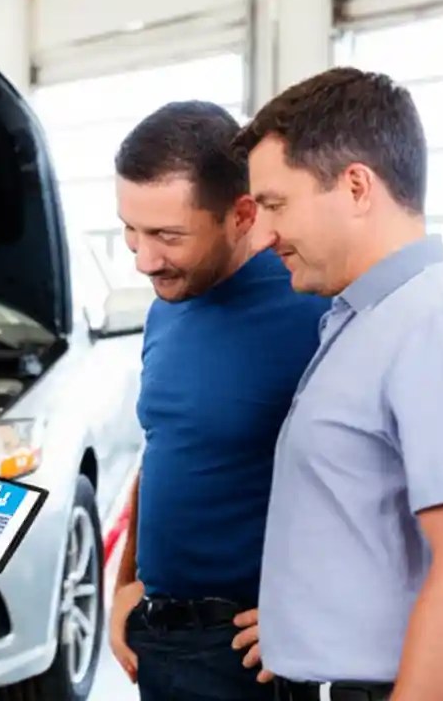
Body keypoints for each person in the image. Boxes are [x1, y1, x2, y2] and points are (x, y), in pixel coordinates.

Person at [230, 67, 443, 701]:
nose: (262, 236)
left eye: (274, 205)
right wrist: (308, 625)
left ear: (354, 186)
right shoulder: (368, 319)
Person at [106, 100, 330, 701]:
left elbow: (379, 484)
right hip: (162, 637)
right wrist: (129, 582)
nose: (143, 259)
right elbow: (166, 448)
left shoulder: (314, 308)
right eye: (131, 229)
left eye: (167, 236)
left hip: (254, 650)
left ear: (241, 214)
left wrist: (320, 606)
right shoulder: (168, 304)